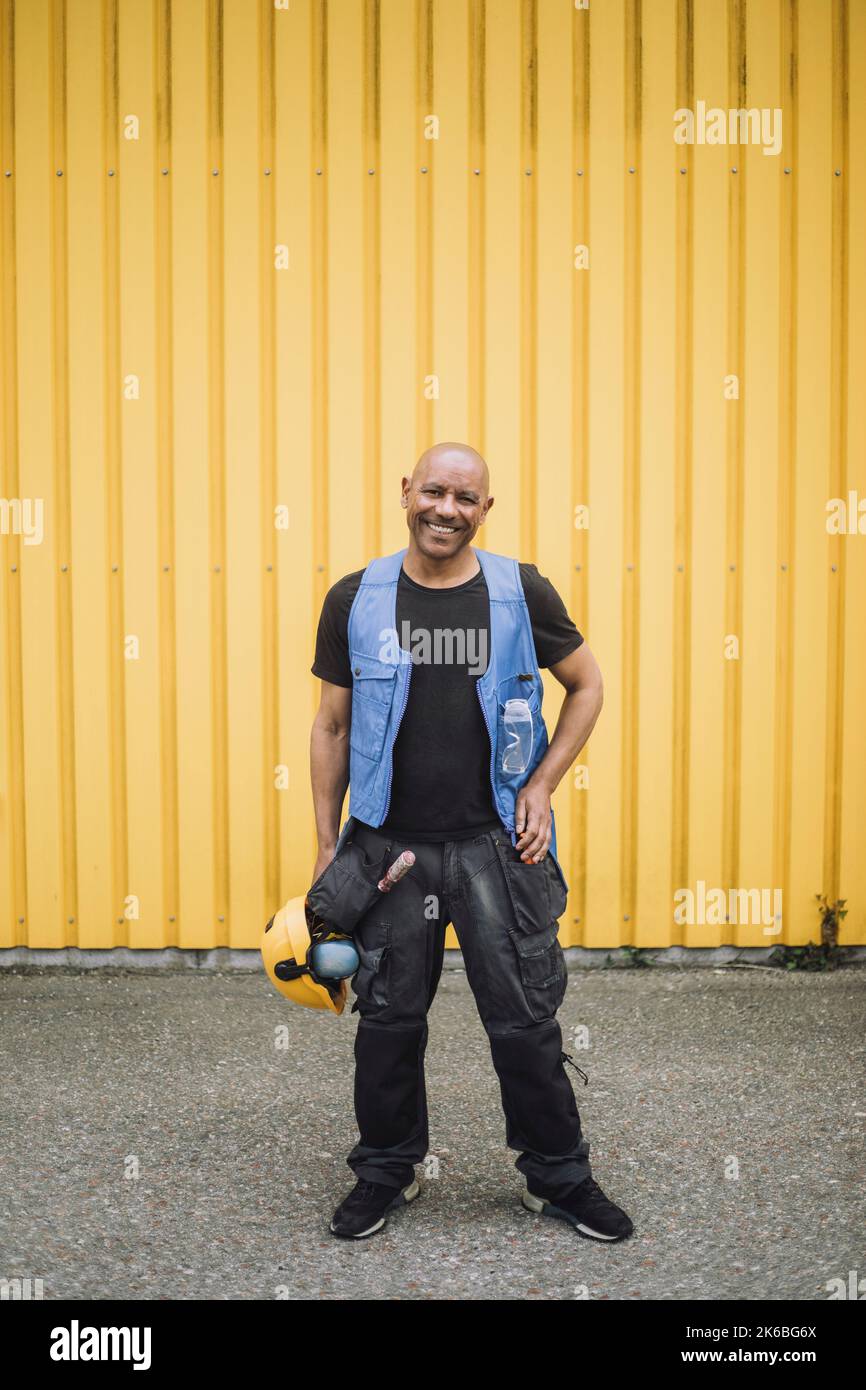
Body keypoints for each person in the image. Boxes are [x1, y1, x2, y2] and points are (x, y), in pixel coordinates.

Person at [309, 442, 633, 1243]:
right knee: (387, 1023)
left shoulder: (521, 593)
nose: (445, 509)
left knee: (524, 1023)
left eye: (464, 497)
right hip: (390, 852)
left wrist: (543, 784)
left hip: (496, 846)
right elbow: (332, 723)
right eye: (433, 492)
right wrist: (326, 846)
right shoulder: (357, 597)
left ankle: (558, 1179)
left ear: (486, 508)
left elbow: (587, 685)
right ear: (405, 492)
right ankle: (386, 1171)